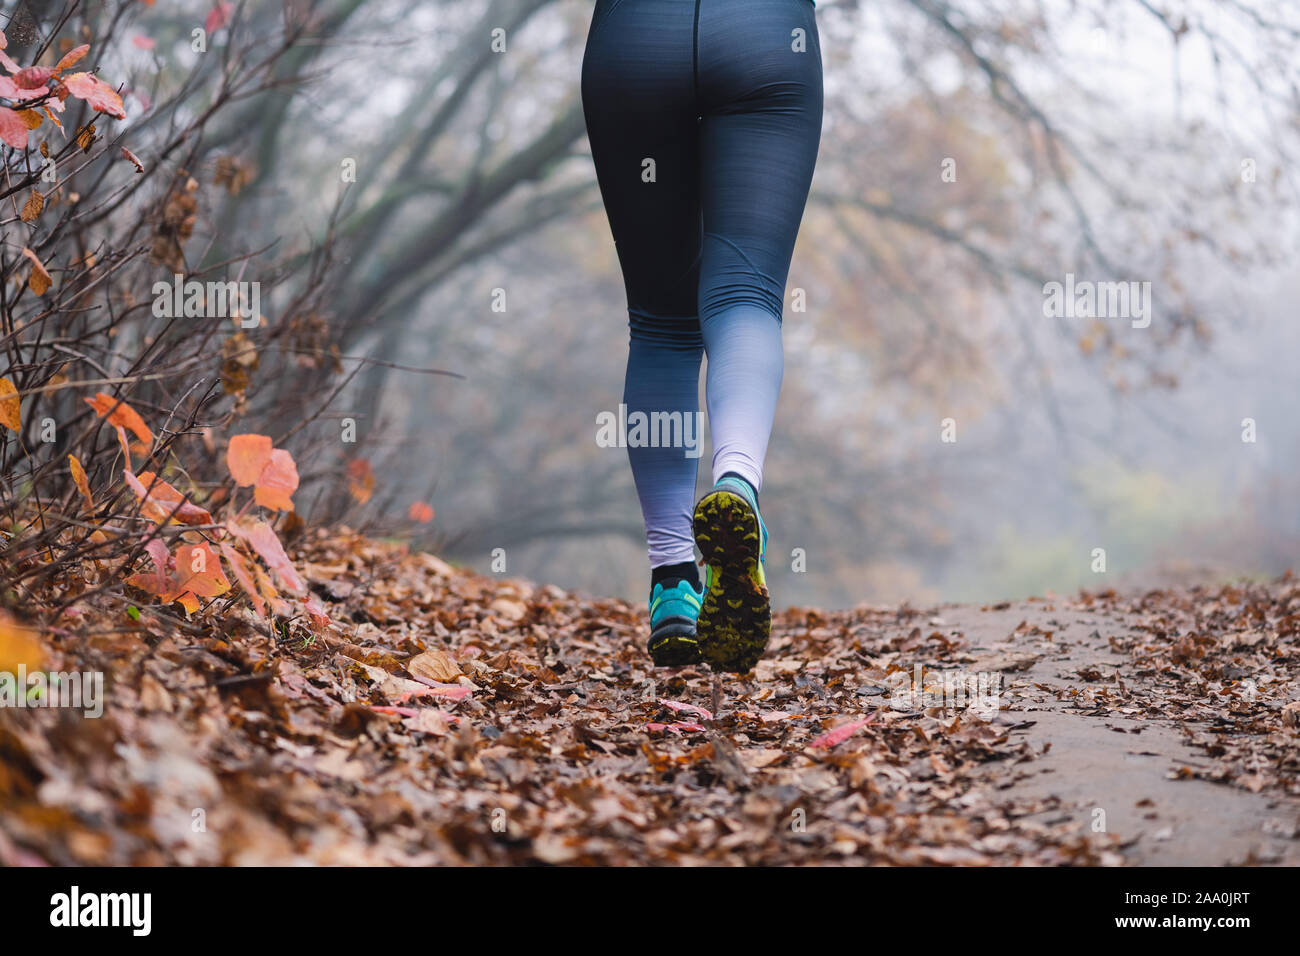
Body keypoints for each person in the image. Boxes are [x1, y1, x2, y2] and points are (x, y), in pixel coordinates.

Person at [581, 0, 823, 672]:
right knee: (745, 296)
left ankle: (672, 583)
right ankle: (738, 485)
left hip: (633, 45)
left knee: (661, 323)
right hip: (767, 37)